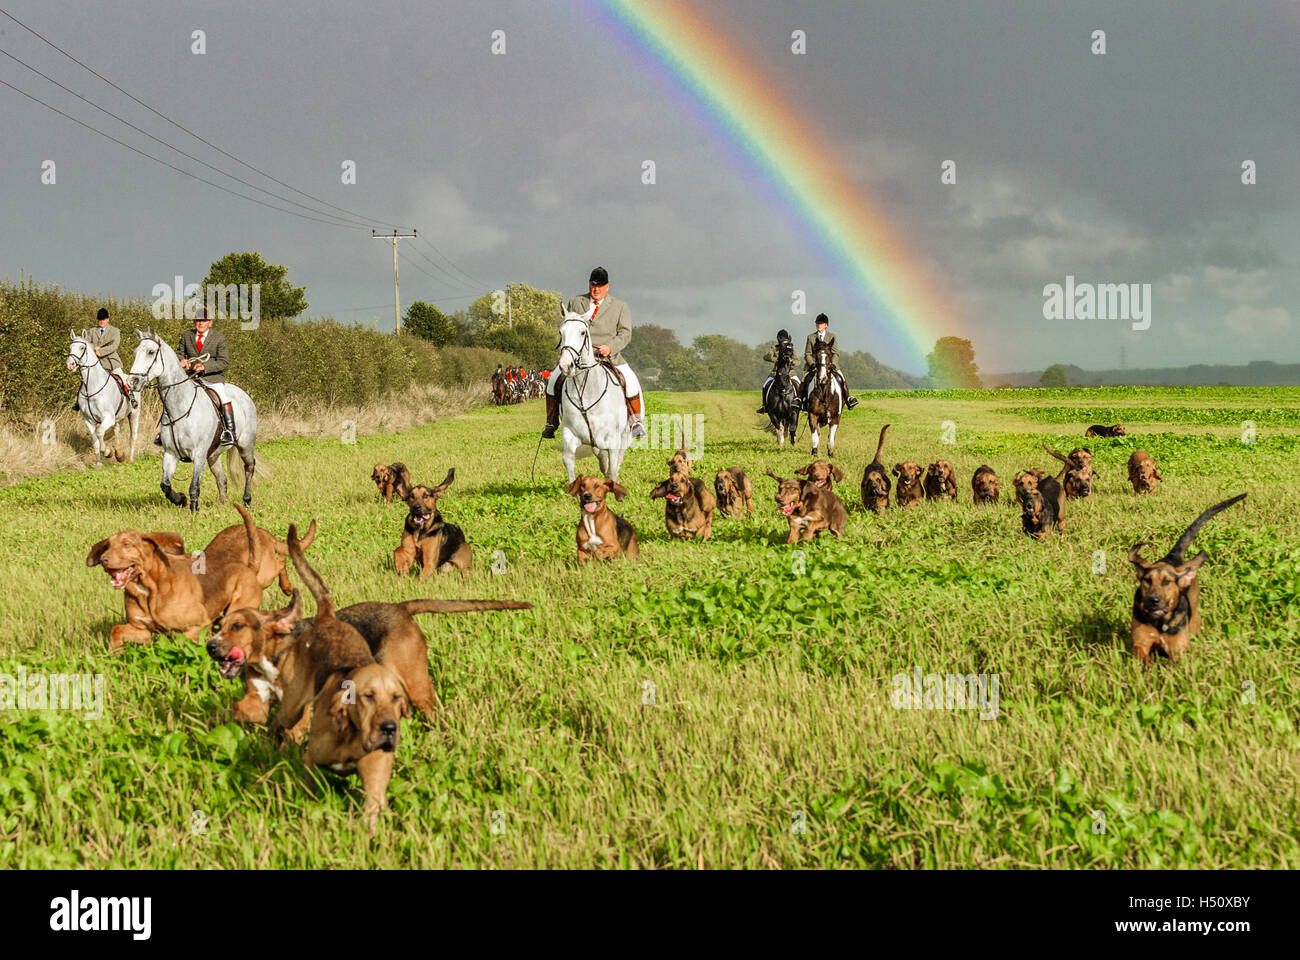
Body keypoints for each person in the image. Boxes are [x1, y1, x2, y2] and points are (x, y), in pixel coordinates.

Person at [542, 266, 645, 440]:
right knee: (553, 379)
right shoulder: (575, 302)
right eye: (593, 285)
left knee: (630, 380)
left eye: (600, 286)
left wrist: (610, 347)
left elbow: (625, 334)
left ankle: (635, 422)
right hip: (578, 357)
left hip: (608, 356)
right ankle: (551, 422)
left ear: (608, 286)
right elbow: (569, 326)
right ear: (589, 284)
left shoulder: (620, 307)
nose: (596, 289)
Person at [156, 306, 236, 445]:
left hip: (212, 378)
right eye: (198, 320)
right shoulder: (187, 336)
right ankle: (164, 433)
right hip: (190, 377)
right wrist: (180, 360)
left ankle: (229, 431)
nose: (200, 323)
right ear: (194, 322)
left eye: (204, 321)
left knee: (223, 397)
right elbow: (180, 352)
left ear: (210, 322)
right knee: (171, 396)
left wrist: (205, 367)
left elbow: (223, 362)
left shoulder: (219, 338)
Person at [75, 307, 137, 412]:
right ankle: (78, 401)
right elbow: (87, 344)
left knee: (122, 378)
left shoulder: (115, 331)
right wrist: (93, 349)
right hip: (96, 364)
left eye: (103, 320)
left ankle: (131, 398)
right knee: (85, 380)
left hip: (111, 362)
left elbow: (114, 346)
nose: (101, 322)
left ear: (108, 319)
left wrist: (101, 351)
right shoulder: (92, 331)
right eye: (100, 320)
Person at [801, 313, 858, 410]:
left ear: (826, 325)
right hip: (814, 366)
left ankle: (848, 398)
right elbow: (807, 354)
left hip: (829, 365)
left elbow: (835, 353)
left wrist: (833, 364)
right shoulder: (811, 337)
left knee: (841, 378)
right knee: (804, 379)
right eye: (817, 323)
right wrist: (812, 364)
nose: (819, 325)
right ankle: (800, 400)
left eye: (821, 323)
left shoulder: (832, 336)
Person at [757, 328, 801, 414]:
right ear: (778, 339)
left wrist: (792, 362)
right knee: (765, 385)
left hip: (790, 372)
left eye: (785, 338)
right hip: (776, 372)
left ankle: (799, 403)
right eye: (781, 338)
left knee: (799, 384)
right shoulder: (774, 348)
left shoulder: (790, 348)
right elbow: (766, 357)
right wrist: (777, 359)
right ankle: (765, 405)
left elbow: (798, 360)